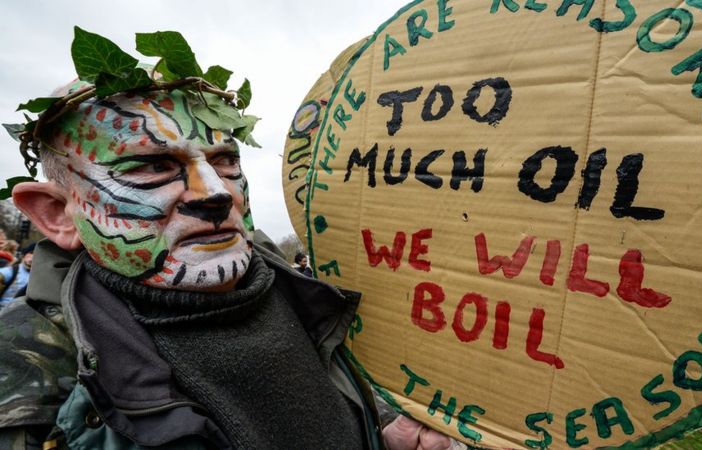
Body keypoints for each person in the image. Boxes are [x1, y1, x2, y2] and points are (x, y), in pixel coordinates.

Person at [0, 79, 453, 450]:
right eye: (152, 166)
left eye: (225, 160)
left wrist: (385, 441)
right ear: (57, 215)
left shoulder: (311, 296)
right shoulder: (28, 359)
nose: (216, 192)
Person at [0, 243, 34, 308]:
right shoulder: (8, 272)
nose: (32, 257)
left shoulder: (41, 277)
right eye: (31, 253)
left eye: (36, 255)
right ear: (24, 255)